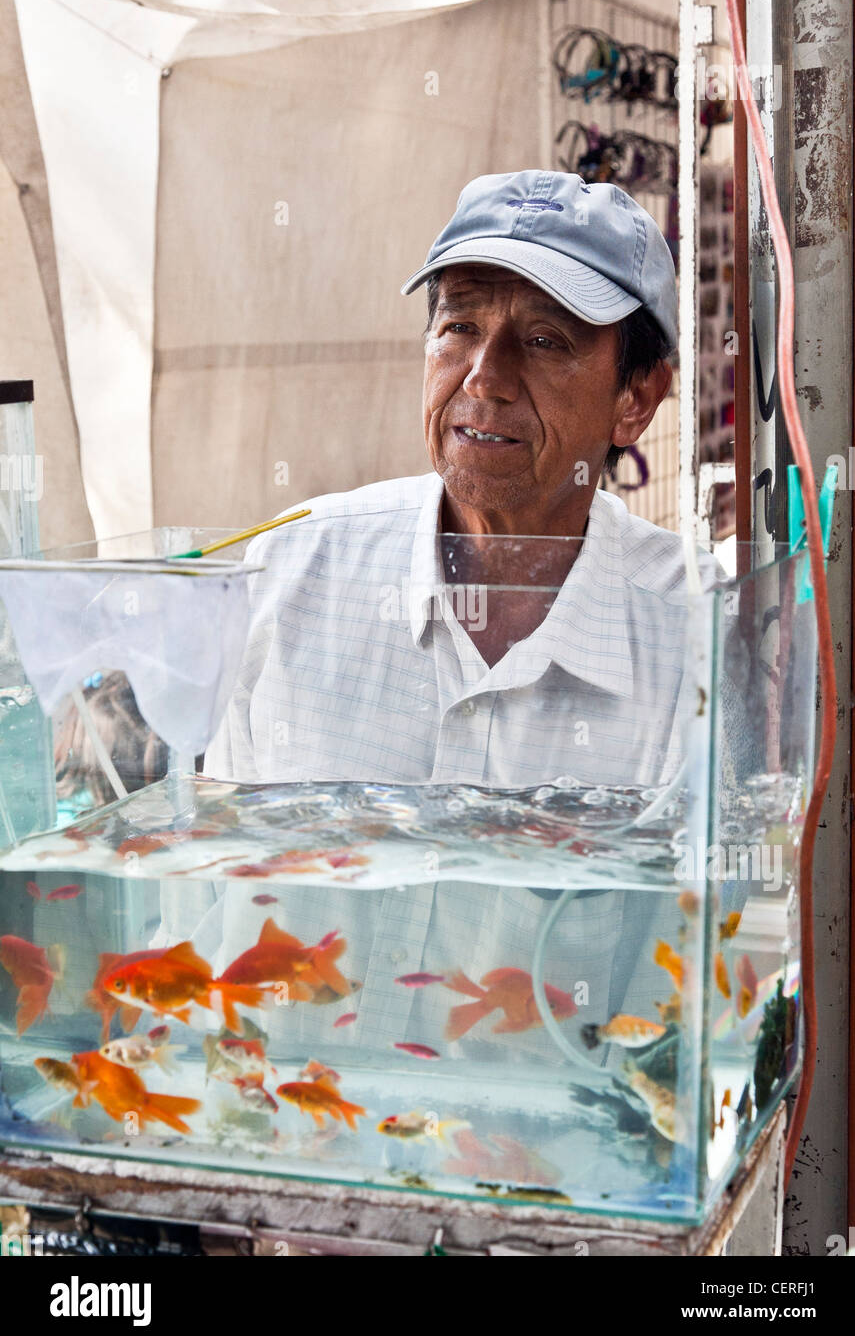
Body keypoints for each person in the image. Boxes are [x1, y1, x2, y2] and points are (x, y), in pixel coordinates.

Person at [189, 171, 719, 1062]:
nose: (485, 375)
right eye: (459, 326)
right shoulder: (292, 569)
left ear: (637, 398)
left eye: (547, 339)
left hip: (541, 1176)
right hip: (275, 1138)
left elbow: (681, 1021)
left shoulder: (695, 642)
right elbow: (218, 883)